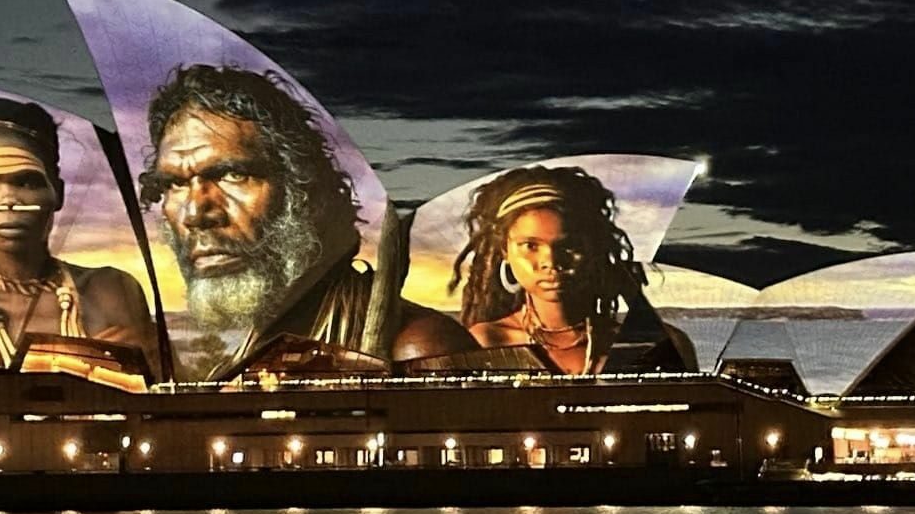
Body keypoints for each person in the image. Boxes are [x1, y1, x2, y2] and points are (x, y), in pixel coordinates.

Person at [138, 64, 474, 379]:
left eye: (232, 173)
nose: (195, 213)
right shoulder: (241, 362)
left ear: (302, 189)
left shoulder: (418, 349)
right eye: (175, 184)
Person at [0, 96, 157, 372]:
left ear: (57, 192)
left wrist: (146, 361)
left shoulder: (112, 291)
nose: (8, 199)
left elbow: (171, 390)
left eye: (26, 181)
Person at [450, 165, 645, 375]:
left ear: (591, 248)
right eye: (530, 246)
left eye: (569, 245)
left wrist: (638, 302)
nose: (550, 261)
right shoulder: (486, 342)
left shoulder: (629, 344)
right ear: (504, 250)